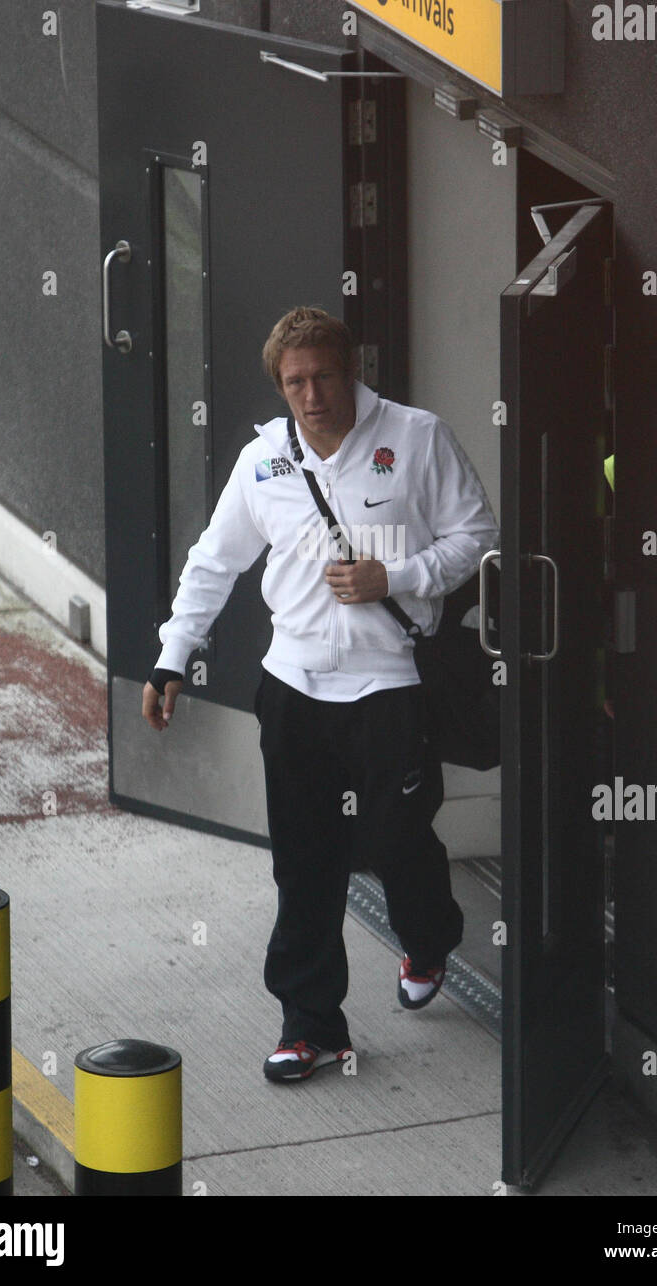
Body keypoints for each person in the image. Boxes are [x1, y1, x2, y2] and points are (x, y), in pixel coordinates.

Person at [142, 307, 499, 1082]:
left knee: (397, 841)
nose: (311, 395)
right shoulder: (264, 461)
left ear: (352, 370)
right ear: (280, 386)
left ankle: (430, 936)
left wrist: (396, 576)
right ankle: (311, 1027)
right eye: (294, 382)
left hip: (391, 685)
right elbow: (214, 562)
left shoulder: (415, 437)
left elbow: (477, 535)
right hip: (293, 687)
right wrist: (172, 656)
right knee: (305, 864)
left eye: (323, 376)